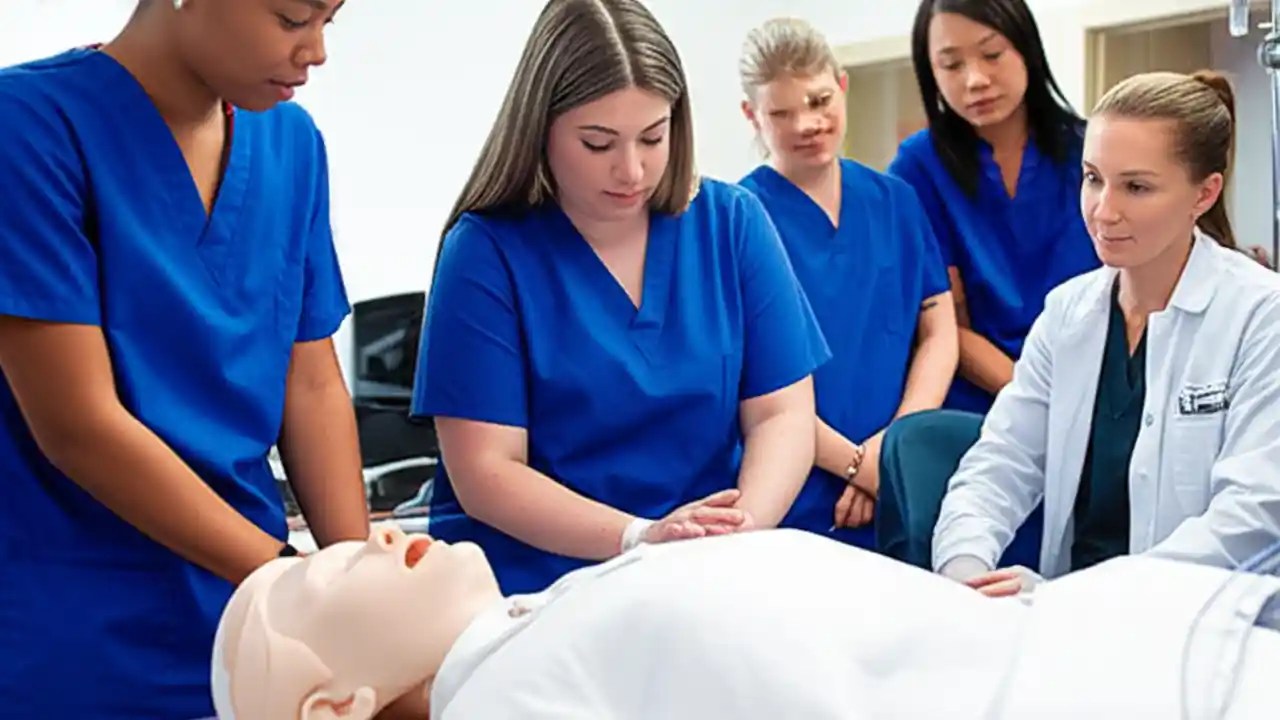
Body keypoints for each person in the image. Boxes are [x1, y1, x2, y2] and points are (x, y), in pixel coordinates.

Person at [0, 1, 370, 718]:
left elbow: (312, 383)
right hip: (84, 635)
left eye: (330, 19)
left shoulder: (290, 142)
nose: (317, 51)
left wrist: (355, 587)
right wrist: (294, 587)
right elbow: (78, 426)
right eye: (293, 17)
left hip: (255, 626)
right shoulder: (28, 128)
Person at [410, 0, 829, 596]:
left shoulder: (731, 223)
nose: (631, 170)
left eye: (652, 138)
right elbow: (486, 471)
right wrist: (640, 539)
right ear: (541, 129)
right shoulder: (485, 253)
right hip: (541, 589)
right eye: (598, 143)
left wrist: (737, 534)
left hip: (707, 575)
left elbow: (782, 414)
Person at [210, 524, 1280, 719]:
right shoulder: (499, 702)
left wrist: (923, 606)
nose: (381, 535)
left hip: (1044, 644)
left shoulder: (541, 620)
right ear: (331, 707)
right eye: (328, 573)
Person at [926, 70, 1280, 597]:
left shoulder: (1260, 315)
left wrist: (1077, 598)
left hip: (1201, 628)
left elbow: (1249, 520)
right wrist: (965, 568)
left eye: (1136, 187)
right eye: (1093, 178)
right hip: (1068, 623)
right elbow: (1000, 463)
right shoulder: (1069, 313)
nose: (1103, 210)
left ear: (1204, 194)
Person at [736, 18, 957, 546]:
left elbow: (939, 329)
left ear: (842, 84)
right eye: (781, 112)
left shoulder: (895, 200)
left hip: (898, 478)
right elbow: (749, 383)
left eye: (818, 101)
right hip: (794, 489)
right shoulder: (737, 219)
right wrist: (855, 465)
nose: (807, 123)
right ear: (751, 115)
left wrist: (892, 449)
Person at [887, 0, 1100, 416]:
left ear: (1027, 48)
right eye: (951, 65)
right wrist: (1032, 396)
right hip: (981, 409)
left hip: (1092, 391)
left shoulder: (1090, 150)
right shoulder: (917, 169)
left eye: (991, 54)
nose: (975, 80)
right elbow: (946, 321)